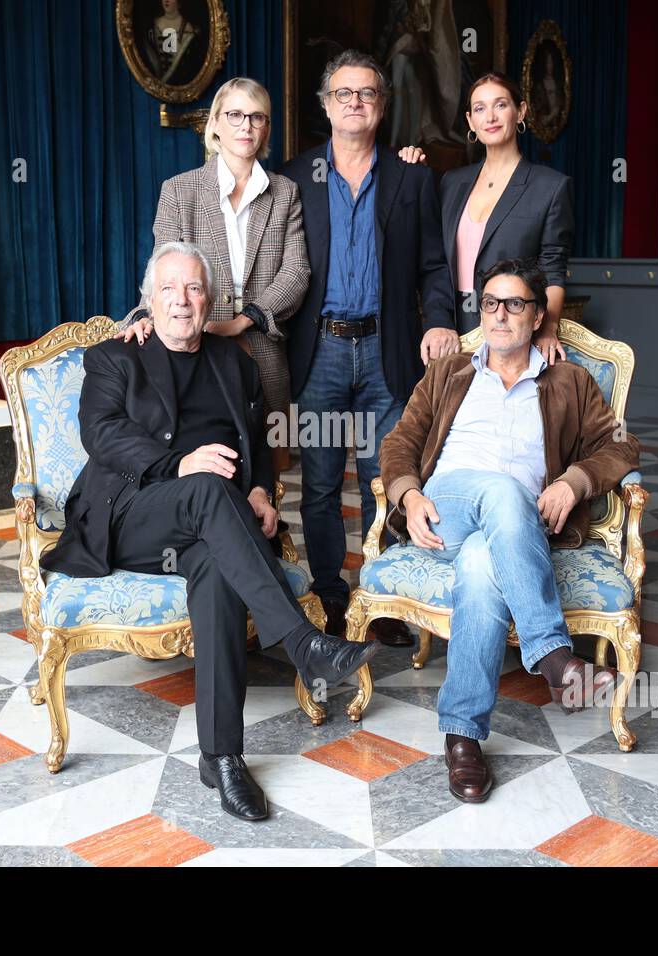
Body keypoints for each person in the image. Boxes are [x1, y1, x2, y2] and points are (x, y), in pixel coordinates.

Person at [42, 241, 380, 822]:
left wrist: (253, 489)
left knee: (218, 569)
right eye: (169, 289)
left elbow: (251, 445)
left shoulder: (234, 362)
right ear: (147, 300)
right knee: (202, 489)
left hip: (206, 522)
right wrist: (181, 464)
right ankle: (302, 644)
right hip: (129, 515)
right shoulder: (114, 357)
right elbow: (102, 435)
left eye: (194, 289)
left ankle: (222, 757)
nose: (182, 300)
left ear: (211, 300)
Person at [379, 257, 639, 803]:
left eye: (514, 304)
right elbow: (399, 441)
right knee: (497, 489)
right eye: (490, 303)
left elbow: (620, 445)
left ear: (537, 313)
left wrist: (573, 482)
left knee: (479, 564)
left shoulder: (569, 380)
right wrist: (407, 493)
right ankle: (553, 657)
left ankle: (462, 738)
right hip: (445, 507)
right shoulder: (447, 373)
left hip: (517, 525)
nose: (499, 315)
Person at [279, 49, 459, 647]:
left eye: (367, 94)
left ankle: (384, 596)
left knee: (390, 476)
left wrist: (439, 320)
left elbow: (435, 265)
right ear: (326, 105)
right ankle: (332, 595)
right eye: (343, 93)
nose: (355, 102)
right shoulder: (295, 177)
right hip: (321, 352)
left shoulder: (412, 177)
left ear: (383, 106)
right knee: (324, 483)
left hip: (388, 352)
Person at [121, 77, 309, 478]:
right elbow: (162, 267)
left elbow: (296, 271)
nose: (246, 126)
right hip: (194, 351)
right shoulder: (180, 191)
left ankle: (263, 542)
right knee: (204, 461)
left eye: (257, 117)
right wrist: (143, 314)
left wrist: (243, 321)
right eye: (235, 115)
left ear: (267, 128)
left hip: (262, 349)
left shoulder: (285, 192)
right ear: (216, 126)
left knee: (268, 473)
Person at [400, 72, 574, 360]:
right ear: (470, 121)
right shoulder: (451, 182)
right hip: (450, 329)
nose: (490, 116)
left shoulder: (551, 186)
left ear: (521, 112)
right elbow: (435, 259)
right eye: (480, 108)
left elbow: (553, 268)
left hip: (512, 326)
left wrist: (548, 327)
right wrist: (410, 167)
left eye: (501, 105)